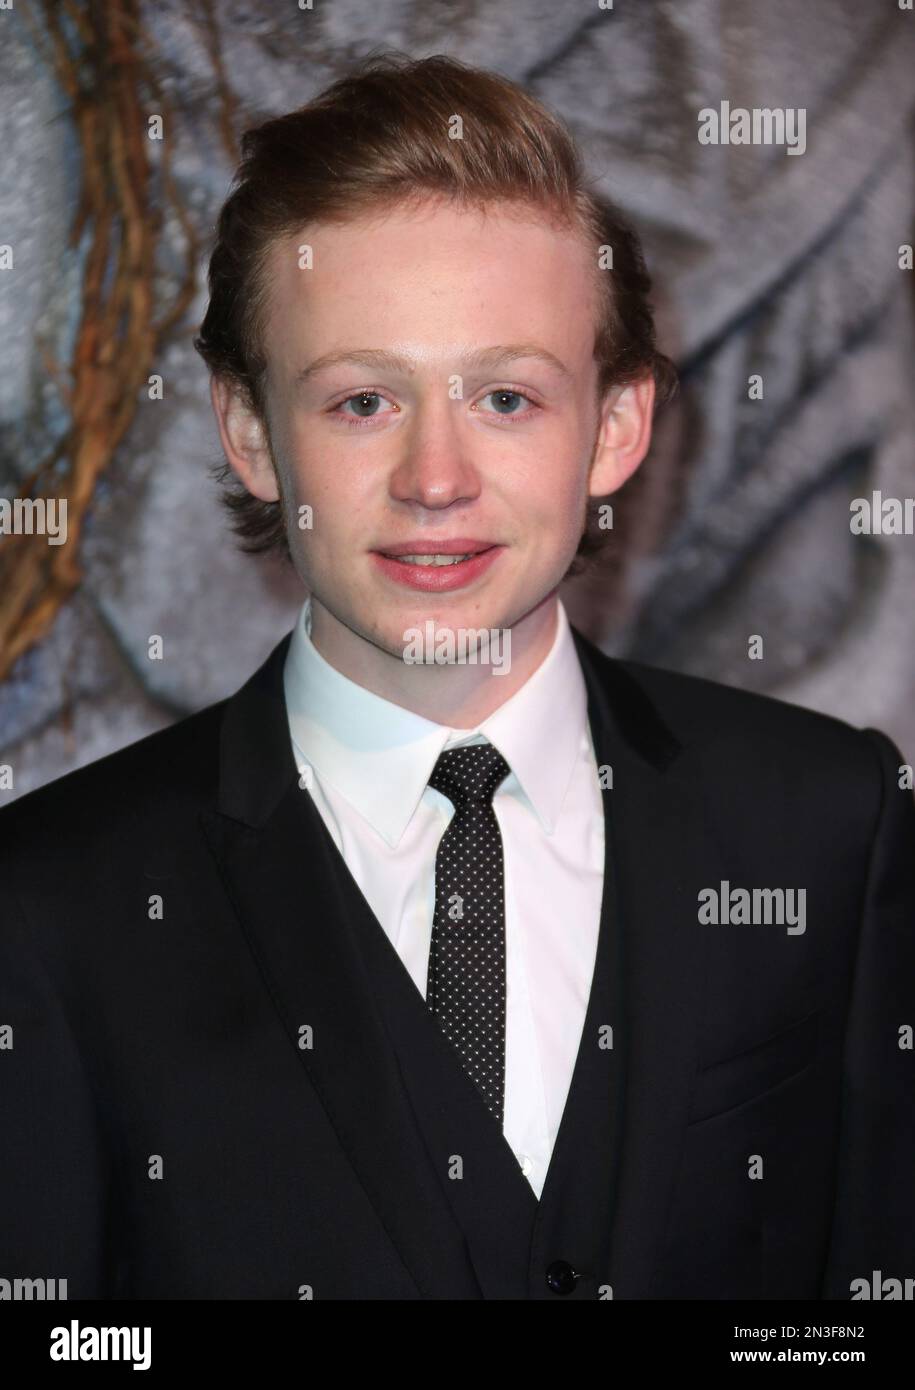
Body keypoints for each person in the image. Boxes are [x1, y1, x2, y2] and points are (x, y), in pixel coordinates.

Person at [1, 52, 913, 1302]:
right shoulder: (50, 907)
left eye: (505, 396)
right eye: (365, 400)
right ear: (253, 436)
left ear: (616, 427)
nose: (437, 477)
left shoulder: (827, 825)